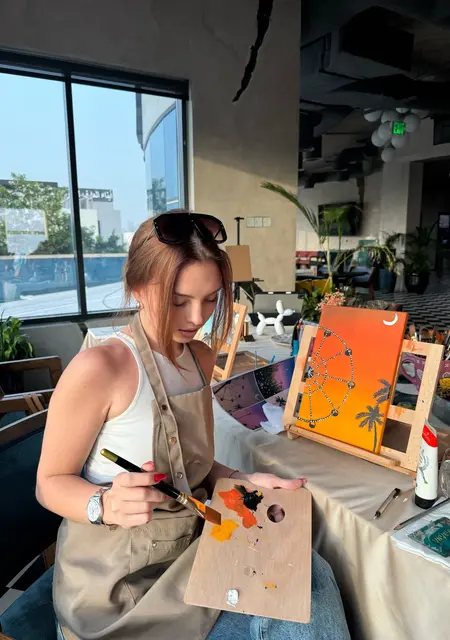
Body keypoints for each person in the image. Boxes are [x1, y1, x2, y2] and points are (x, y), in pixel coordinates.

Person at [37, 211, 350, 640]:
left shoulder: (199, 357)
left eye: (211, 299)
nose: (196, 317)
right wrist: (103, 503)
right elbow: (49, 484)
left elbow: (188, 466)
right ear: (137, 286)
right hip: (119, 585)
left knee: (311, 572)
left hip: (190, 547)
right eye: (178, 301)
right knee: (296, 613)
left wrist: (241, 479)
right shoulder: (101, 368)